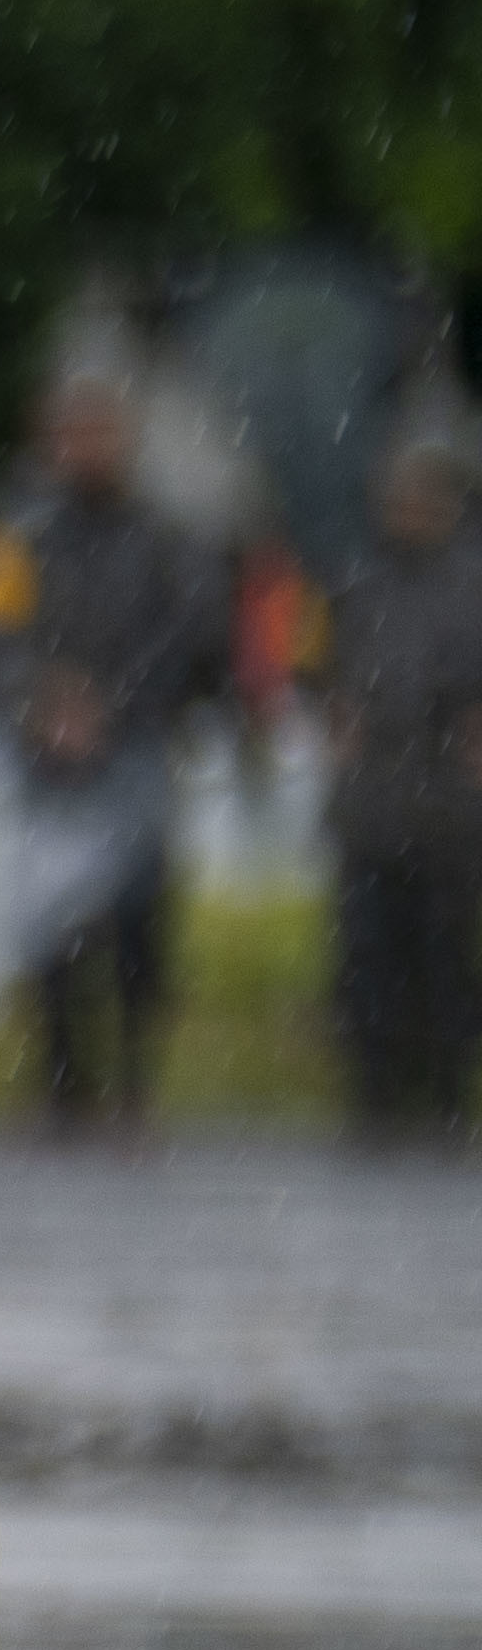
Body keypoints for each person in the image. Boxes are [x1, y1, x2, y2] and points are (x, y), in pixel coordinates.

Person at [0, 360, 235, 1132]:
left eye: (99, 431)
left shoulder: (165, 536)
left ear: (128, 439)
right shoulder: (16, 538)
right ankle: (62, 1081)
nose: (85, 448)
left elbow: (193, 633)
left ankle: (134, 1081)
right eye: (71, 432)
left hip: (135, 751)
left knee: (136, 913)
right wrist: (39, 699)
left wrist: (110, 703)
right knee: (49, 917)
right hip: (46, 757)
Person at [328, 415, 482, 1145]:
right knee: (368, 947)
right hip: (373, 793)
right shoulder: (358, 580)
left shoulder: (472, 583)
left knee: (445, 948)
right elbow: (324, 667)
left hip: (450, 794)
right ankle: (376, 1090)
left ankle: (447, 1089)